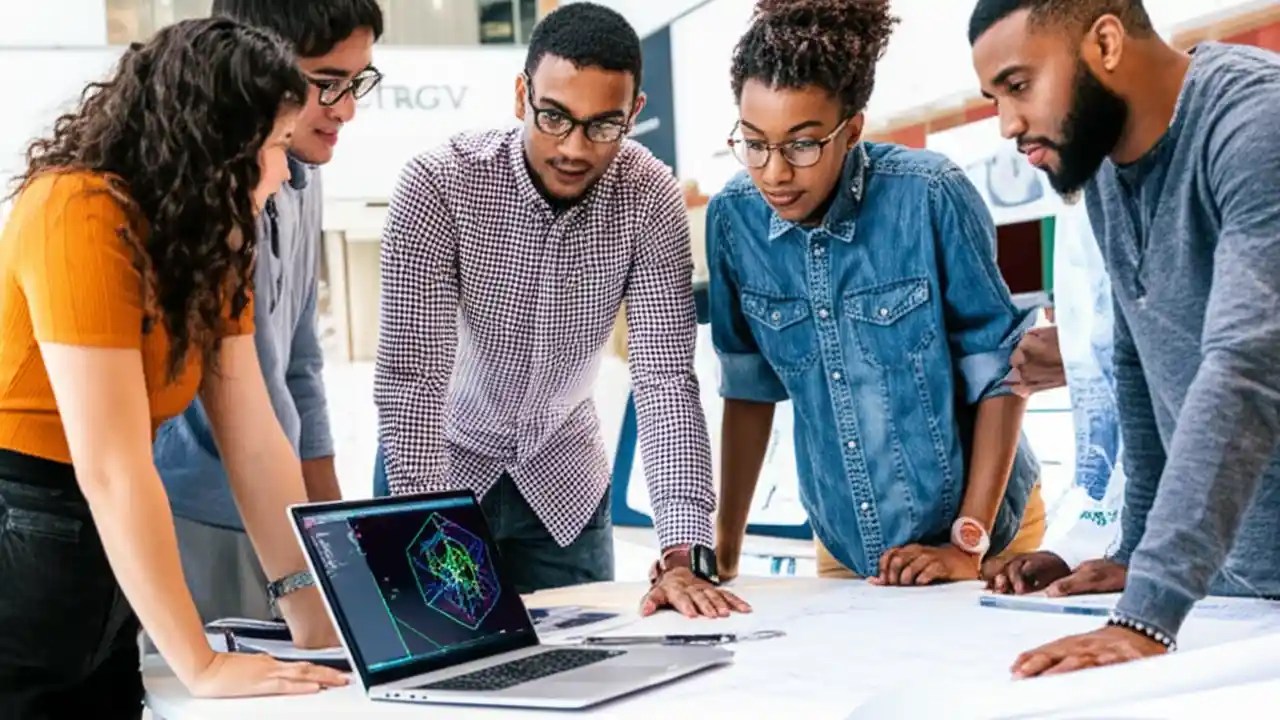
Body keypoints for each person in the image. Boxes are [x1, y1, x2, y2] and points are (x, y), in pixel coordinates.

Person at [0, 18, 348, 717]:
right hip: (25, 522)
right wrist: (202, 662)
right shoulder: (78, 209)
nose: (285, 173)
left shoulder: (209, 238)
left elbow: (254, 441)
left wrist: (311, 615)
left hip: (97, 532)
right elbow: (110, 466)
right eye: (277, 146)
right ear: (215, 143)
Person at [374, 2, 749, 618]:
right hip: (438, 468)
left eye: (603, 125)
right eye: (554, 117)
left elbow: (663, 379)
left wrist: (683, 553)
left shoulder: (649, 196)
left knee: (584, 669)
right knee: (438, 670)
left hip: (564, 486)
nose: (574, 147)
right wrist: (428, 527)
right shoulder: (440, 184)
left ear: (635, 113)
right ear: (522, 95)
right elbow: (412, 377)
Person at [971, 0, 1280, 677]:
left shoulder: (1257, 123)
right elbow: (1136, 359)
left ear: (1105, 41)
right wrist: (1134, 549)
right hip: (1240, 597)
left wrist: (1149, 609)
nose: (1007, 124)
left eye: (1019, 86)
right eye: (994, 98)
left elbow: (1247, 370)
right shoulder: (1109, 169)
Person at [709, 0, 1044, 588]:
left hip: (984, 534)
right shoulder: (734, 222)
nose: (775, 172)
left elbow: (1001, 373)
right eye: (754, 143)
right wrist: (725, 553)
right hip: (844, 543)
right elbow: (748, 390)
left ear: (853, 129)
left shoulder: (928, 195)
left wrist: (968, 543)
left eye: (803, 145)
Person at [154, 0, 383, 624]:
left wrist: (332, 526)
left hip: (282, 504)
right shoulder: (200, 195)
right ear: (255, 69)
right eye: (326, 84)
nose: (346, 109)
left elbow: (300, 367)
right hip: (194, 510)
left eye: (356, 82)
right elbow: (242, 399)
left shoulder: (299, 176)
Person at [988, 199, 1127, 596]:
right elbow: (1104, 451)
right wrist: (1072, 547)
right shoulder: (1082, 198)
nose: (1011, 132)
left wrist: (1086, 355)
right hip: (1145, 555)